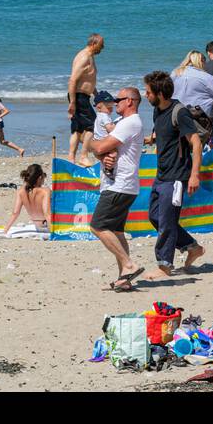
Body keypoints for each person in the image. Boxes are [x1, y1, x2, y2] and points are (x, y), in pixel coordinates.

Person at [142, 71, 206, 282]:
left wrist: (195, 175)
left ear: (159, 93)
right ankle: (192, 247)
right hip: (161, 174)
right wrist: (151, 140)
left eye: (148, 91)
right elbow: (163, 133)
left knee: (167, 221)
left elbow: (196, 143)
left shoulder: (179, 113)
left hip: (177, 176)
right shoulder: (157, 111)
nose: (145, 95)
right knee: (155, 217)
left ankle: (165, 266)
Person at [87, 86, 144, 292]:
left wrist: (98, 148)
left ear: (130, 101)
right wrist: (101, 154)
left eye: (118, 99)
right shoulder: (120, 123)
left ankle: (129, 265)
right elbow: (98, 147)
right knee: (117, 232)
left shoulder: (131, 123)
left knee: (97, 226)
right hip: (121, 184)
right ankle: (124, 279)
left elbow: (98, 145)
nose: (115, 102)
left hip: (120, 184)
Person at [67, 33, 104, 167]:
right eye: (101, 45)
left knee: (77, 129)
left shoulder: (90, 57)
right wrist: (72, 102)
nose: (103, 47)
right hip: (79, 96)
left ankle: (71, 157)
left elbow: (88, 80)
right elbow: (72, 80)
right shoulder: (84, 57)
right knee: (92, 125)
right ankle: (83, 156)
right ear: (93, 44)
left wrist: (97, 94)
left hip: (83, 96)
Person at [2, 163, 51, 234]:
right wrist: (53, 233)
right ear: (40, 177)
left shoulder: (20, 192)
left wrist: (5, 231)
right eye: (44, 176)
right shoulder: (45, 191)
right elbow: (47, 214)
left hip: (37, 227)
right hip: (48, 226)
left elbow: (15, 213)